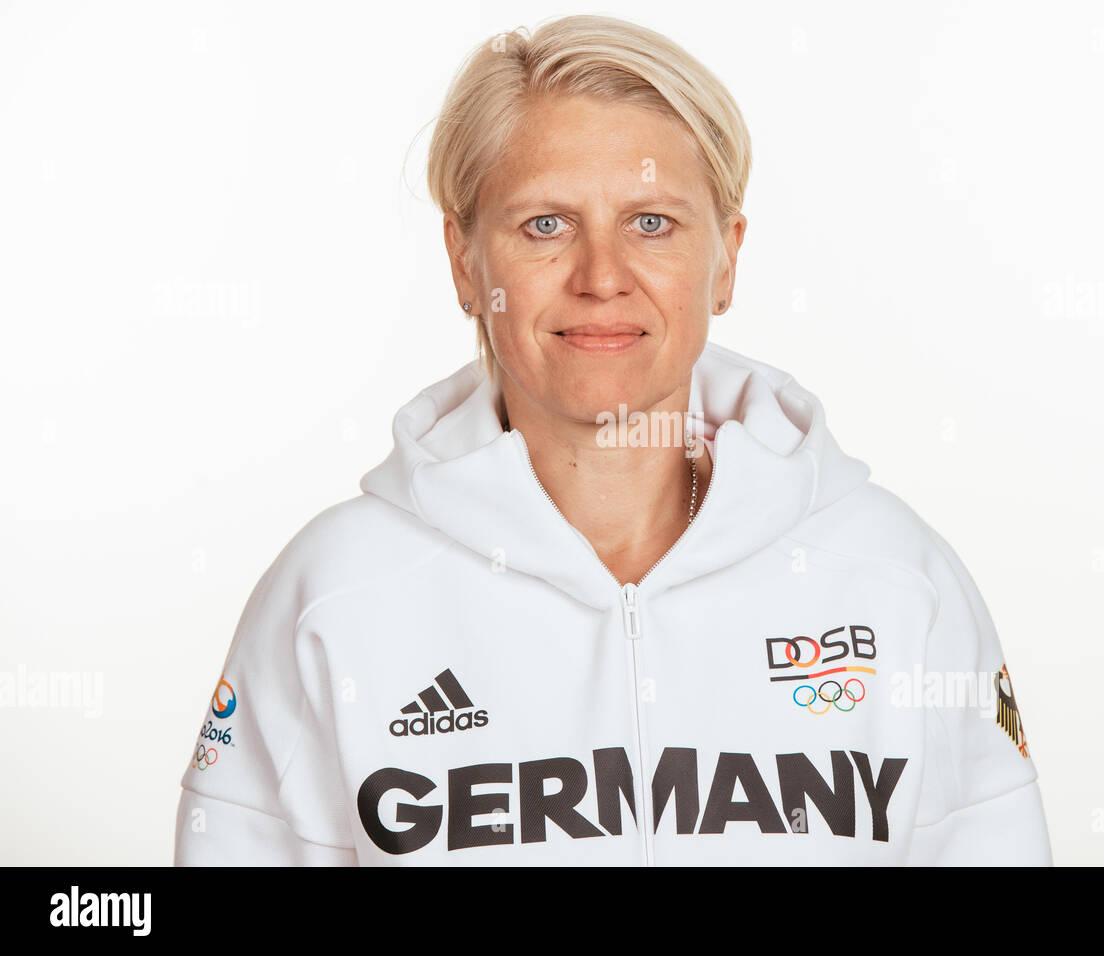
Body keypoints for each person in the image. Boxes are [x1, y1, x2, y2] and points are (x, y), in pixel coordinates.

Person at [173, 13, 1051, 866]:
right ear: (466, 263)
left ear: (727, 259)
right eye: (545, 225)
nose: (602, 278)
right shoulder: (334, 596)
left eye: (652, 223)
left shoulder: (895, 581)